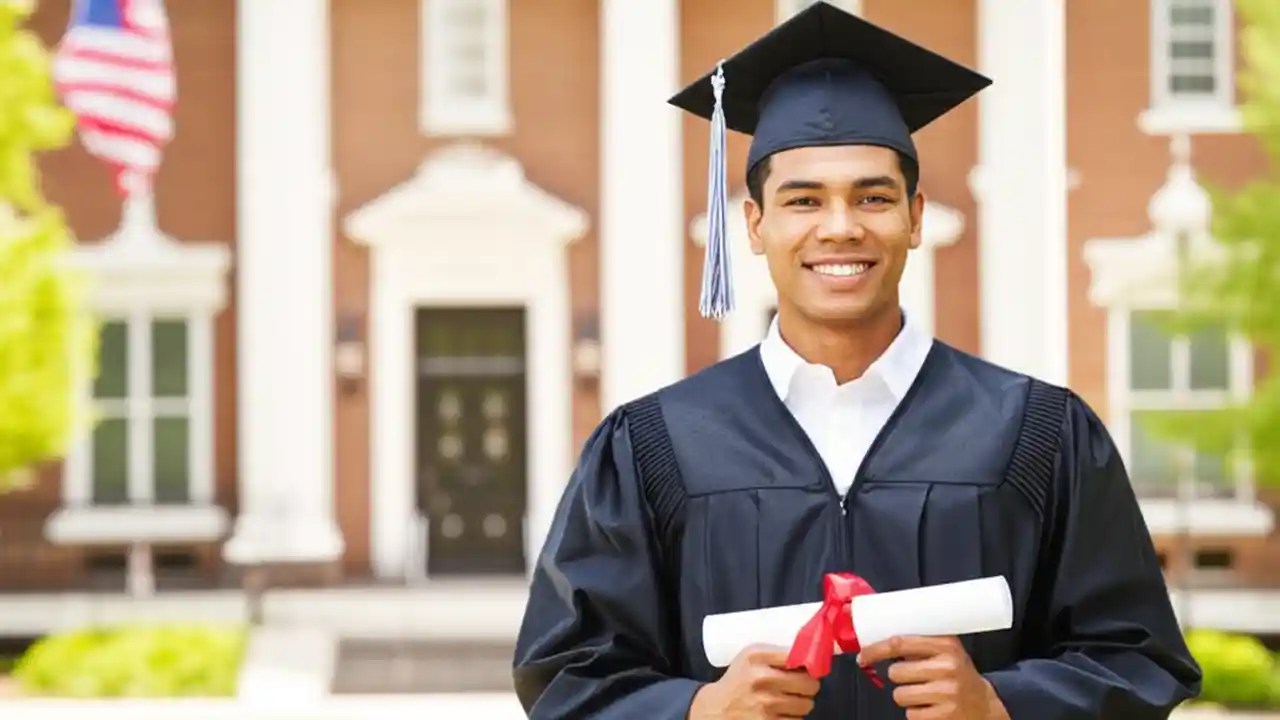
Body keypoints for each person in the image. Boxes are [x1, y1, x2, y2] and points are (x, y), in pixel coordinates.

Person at [512, 3, 1201, 719]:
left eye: (872, 197)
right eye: (803, 200)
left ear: (915, 216)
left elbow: (1138, 657)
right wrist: (692, 712)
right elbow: (568, 674)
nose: (840, 227)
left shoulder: (1039, 435)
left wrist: (1003, 705)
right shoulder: (653, 448)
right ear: (754, 224)